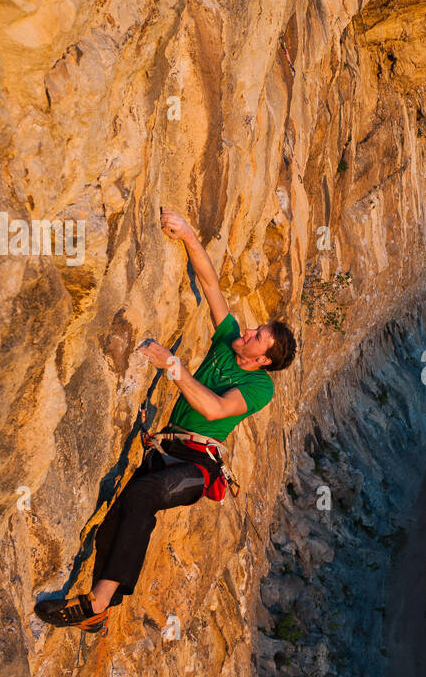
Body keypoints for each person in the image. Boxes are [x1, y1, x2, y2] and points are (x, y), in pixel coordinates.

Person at [35, 208, 296, 631]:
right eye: (255, 327)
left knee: (143, 497)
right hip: (165, 448)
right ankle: (98, 616)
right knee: (116, 521)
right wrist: (189, 234)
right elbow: (211, 286)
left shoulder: (259, 388)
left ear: (263, 359)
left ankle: (95, 605)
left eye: (256, 336)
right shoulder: (229, 342)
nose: (247, 331)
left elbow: (214, 409)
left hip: (196, 466)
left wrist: (173, 367)